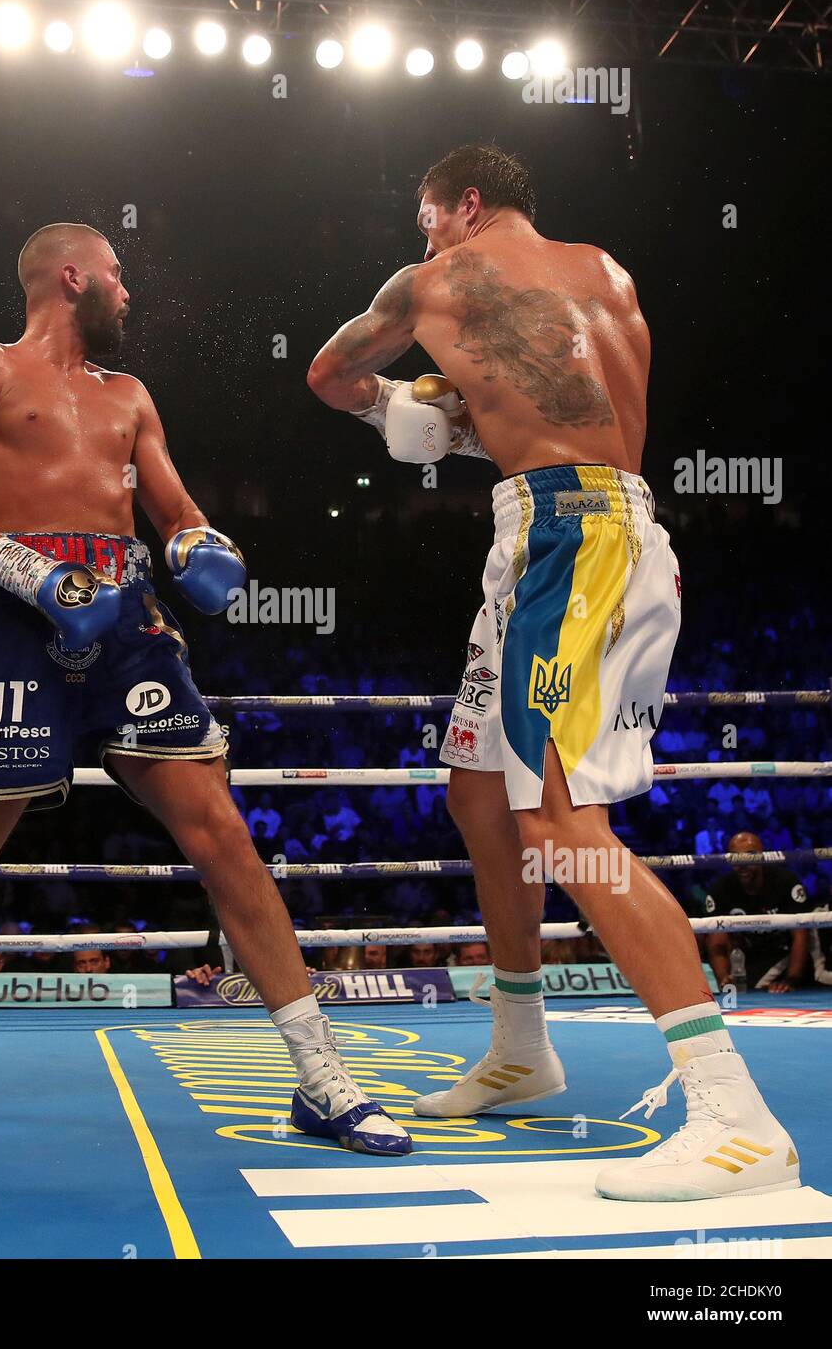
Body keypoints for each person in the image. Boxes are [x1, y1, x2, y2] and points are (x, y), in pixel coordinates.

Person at [0, 222, 409, 1157]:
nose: (129, 295)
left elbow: (175, 510)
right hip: (13, 623)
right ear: (73, 277)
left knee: (226, 838)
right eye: (117, 278)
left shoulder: (130, 396)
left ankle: (321, 1079)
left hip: (125, 621)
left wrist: (201, 545)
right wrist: (38, 578)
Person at [307, 144, 796, 1199]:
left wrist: (398, 410)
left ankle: (733, 1113)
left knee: (563, 825)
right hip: (584, 524)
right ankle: (522, 1046)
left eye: (425, 215)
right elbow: (588, 426)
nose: (422, 236)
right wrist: (466, 422)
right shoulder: (606, 272)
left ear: (464, 204)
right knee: (480, 794)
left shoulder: (433, 280)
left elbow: (327, 374)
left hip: (572, 549)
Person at [704, 832, 812, 992]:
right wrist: (724, 979)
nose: (742, 863)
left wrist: (791, 980)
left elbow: (801, 935)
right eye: (735, 856)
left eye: (750, 855)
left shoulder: (785, 882)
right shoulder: (721, 888)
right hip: (746, 961)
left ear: (762, 856)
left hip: (783, 956)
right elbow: (716, 942)